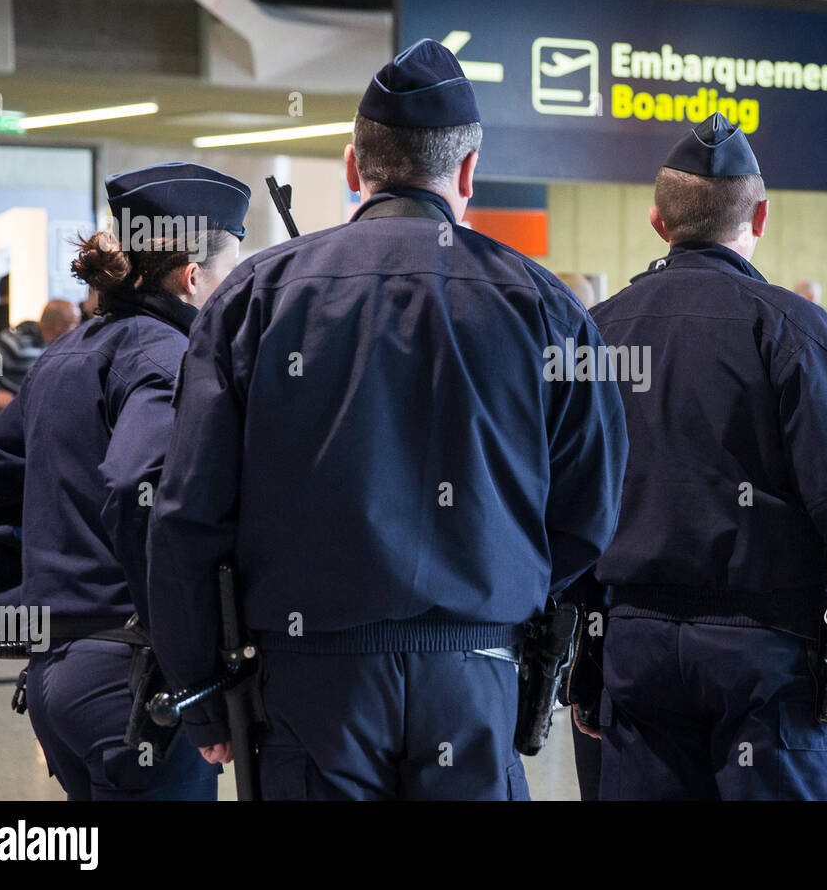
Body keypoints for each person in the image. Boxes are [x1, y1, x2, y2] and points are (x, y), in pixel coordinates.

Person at [147, 39, 628, 801]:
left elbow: (187, 515)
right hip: (476, 676)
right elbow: (590, 511)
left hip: (308, 683)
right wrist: (503, 581)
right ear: (468, 172)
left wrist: (198, 685)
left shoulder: (254, 300)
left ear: (351, 168)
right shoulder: (547, 309)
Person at [579, 114, 827, 801]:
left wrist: (578, 665)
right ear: (763, 215)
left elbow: (567, 505)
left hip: (635, 651)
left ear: (659, 221)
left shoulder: (600, 331)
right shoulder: (791, 328)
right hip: (767, 657)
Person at [0, 162, 247, 799]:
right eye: (231, 273)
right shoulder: (166, 359)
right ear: (195, 277)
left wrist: (30, 610)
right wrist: (187, 665)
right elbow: (141, 490)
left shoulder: (68, 354)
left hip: (60, 678)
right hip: (136, 683)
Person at [0, 300, 79, 426]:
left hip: (38, 424)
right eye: (74, 324)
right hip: (8, 426)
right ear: (58, 326)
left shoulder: (58, 346)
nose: (77, 330)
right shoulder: (13, 342)